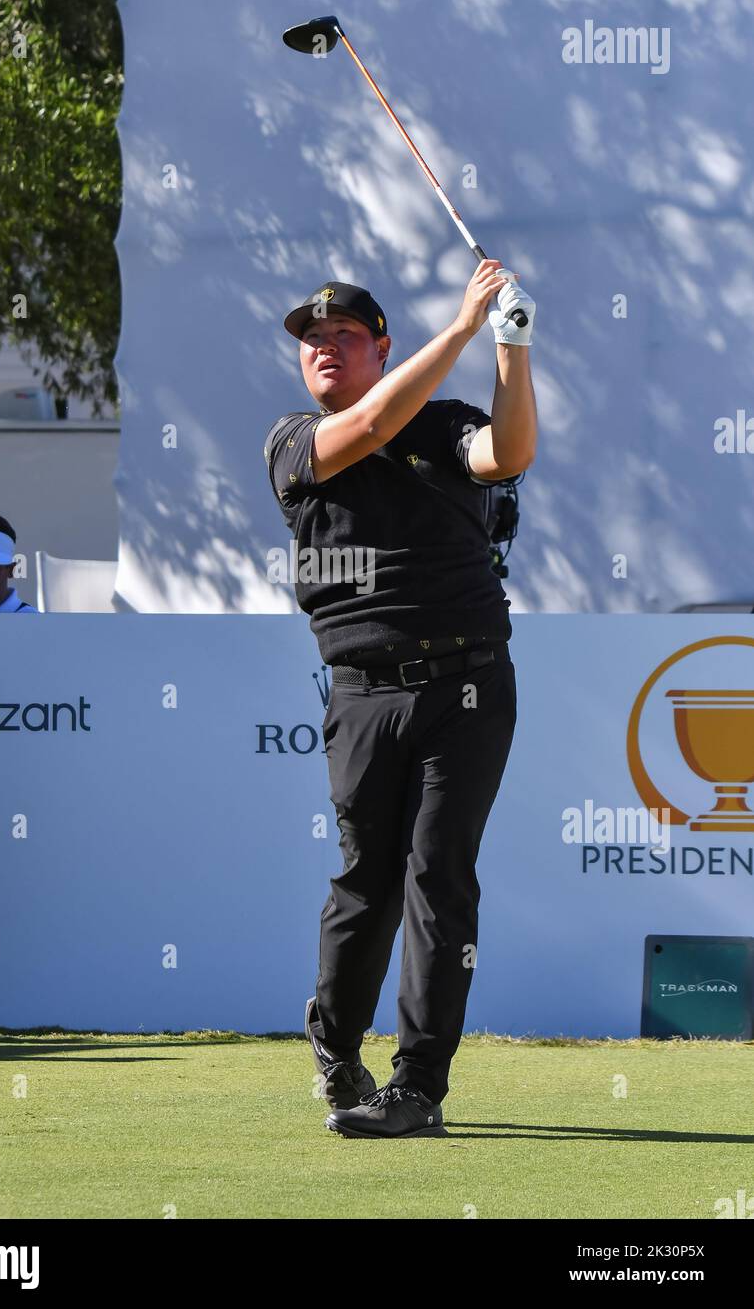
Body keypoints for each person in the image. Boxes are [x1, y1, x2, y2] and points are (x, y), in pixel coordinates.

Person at [263, 262, 537, 1138]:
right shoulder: (294, 441)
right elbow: (371, 425)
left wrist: (510, 344)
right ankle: (337, 1047)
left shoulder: (447, 424)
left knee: (438, 879)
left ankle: (419, 1084)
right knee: (364, 883)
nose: (325, 348)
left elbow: (510, 453)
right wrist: (461, 328)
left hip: (468, 683)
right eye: (313, 340)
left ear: (381, 346)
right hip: (361, 692)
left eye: (345, 336)